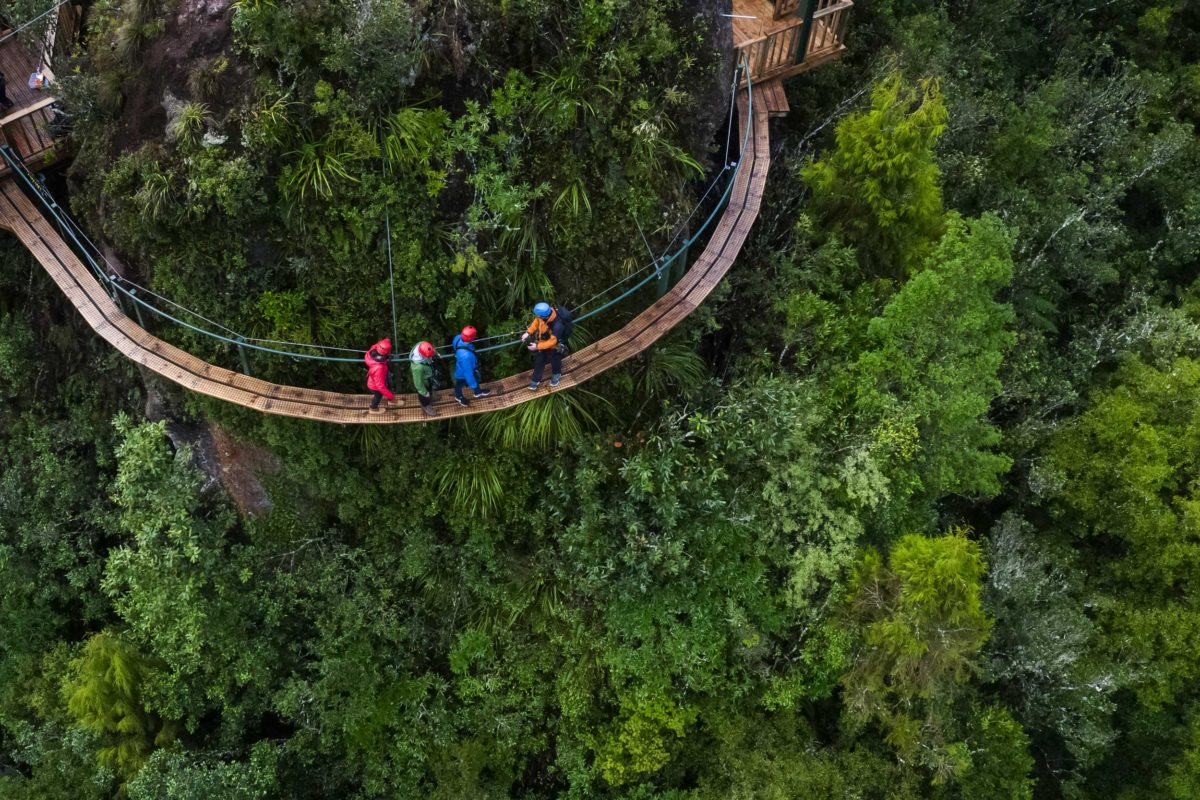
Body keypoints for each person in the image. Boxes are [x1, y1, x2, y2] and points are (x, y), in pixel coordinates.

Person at [521, 302, 573, 390]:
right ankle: (535, 380)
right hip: (544, 340)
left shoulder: (558, 326)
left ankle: (556, 374)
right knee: (539, 359)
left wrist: (537, 346)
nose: (537, 317)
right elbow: (536, 322)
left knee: (555, 357)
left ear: (544, 316)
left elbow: (552, 342)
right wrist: (528, 332)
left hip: (555, 342)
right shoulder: (542, 316)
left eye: (539, 316)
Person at [452, 326, 492, 406]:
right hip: (463, 371)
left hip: (461, 365)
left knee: (463, 381)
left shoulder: (458, 338)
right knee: (462, 382)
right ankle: (458, 396)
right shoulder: (466, 356)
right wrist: (473, 385)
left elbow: (454, 345)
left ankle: (477, 392)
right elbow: (468, 373)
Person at [364, 337, 395, 411]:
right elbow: (380, 386)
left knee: (385, 388)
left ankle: (390, 400)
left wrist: (386, 341)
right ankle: (373, 408)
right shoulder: (379, 368)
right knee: (378, 396)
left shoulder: (373, 350)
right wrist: (391, 397)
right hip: (375, 386)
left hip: (374, 380)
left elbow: (378, 345)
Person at [409, 340, 438, 417]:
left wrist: (433, 351)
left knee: (430, 388)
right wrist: (424, 393)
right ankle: (425, 405)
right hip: (424, 382)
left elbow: (428, 348)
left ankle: (431, 395)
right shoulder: (418, 367)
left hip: (429, 376)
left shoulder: (421, 345)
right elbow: (418, 383)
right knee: (425, 394)